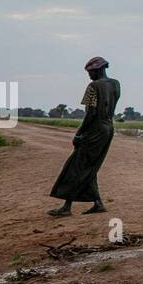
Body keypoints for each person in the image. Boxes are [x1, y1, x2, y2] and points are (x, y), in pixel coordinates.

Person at [48, 56, 119, 217]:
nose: (89, 76)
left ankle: (66, 207)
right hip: (108, 128)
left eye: (91, 72)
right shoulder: (115, 84)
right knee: (91, 166)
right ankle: (98, 203)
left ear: (99, 70)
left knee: (76, 166)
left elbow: (90, 113)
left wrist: (79, 134)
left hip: (95, 130)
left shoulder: (93, 86)